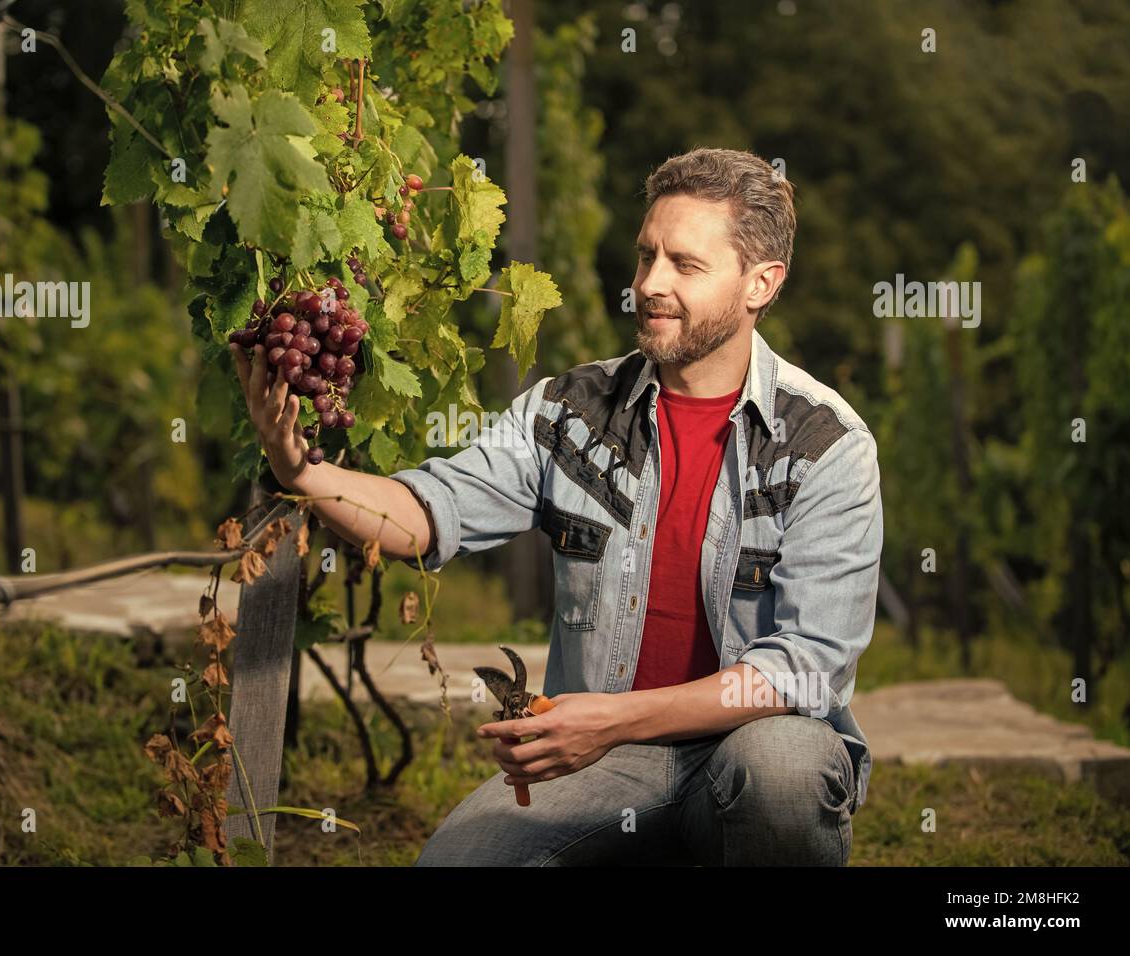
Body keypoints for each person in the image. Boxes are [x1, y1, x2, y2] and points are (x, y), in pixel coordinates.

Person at [230, 146, 883, 866]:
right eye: (646, 257)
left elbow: (806, 669)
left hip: (745, 751)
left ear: (761, 283)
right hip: (605, 768)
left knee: (784, 771)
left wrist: (614, 720)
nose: (649, 285)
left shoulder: (825, 445)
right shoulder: (569, 414)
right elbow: (429, 512)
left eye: (684, 265)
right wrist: (301, 468)